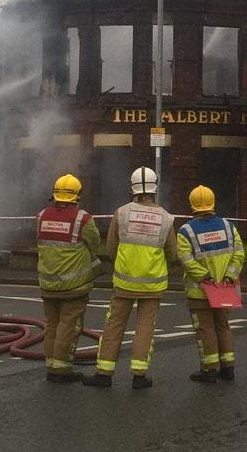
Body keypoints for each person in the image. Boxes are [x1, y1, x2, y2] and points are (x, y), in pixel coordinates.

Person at [83, 167, 175, 390]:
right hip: (153, 284)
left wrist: (122, 263)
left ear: (132, 187)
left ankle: (104, 373)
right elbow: (172, 252)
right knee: (145, 328)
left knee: (114, 325)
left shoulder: (121, 213)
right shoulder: (165, 217)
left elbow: (111, 247)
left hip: (124, 282)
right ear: (155, 188)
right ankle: (139, 376)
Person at [36, 173, 101, 383]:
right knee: (68, 326)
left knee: (52, 324)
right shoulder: (83, 219)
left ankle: (51, 364)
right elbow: (95, 243)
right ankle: (61, 369)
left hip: (48, 283)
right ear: (77, 195)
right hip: (74, 286)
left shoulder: (42, 216)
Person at [177, 185, 244, 383]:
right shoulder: (228, 226)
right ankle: (228, 368)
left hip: (200, 292)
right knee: (223, 326)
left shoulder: (185, 231)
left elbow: (186, 260)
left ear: (192, 204)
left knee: (205, 329)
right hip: (225, 290)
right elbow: (239, 254)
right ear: (213, 202)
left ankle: (209, 370)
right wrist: (229, 277)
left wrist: (205, 278)